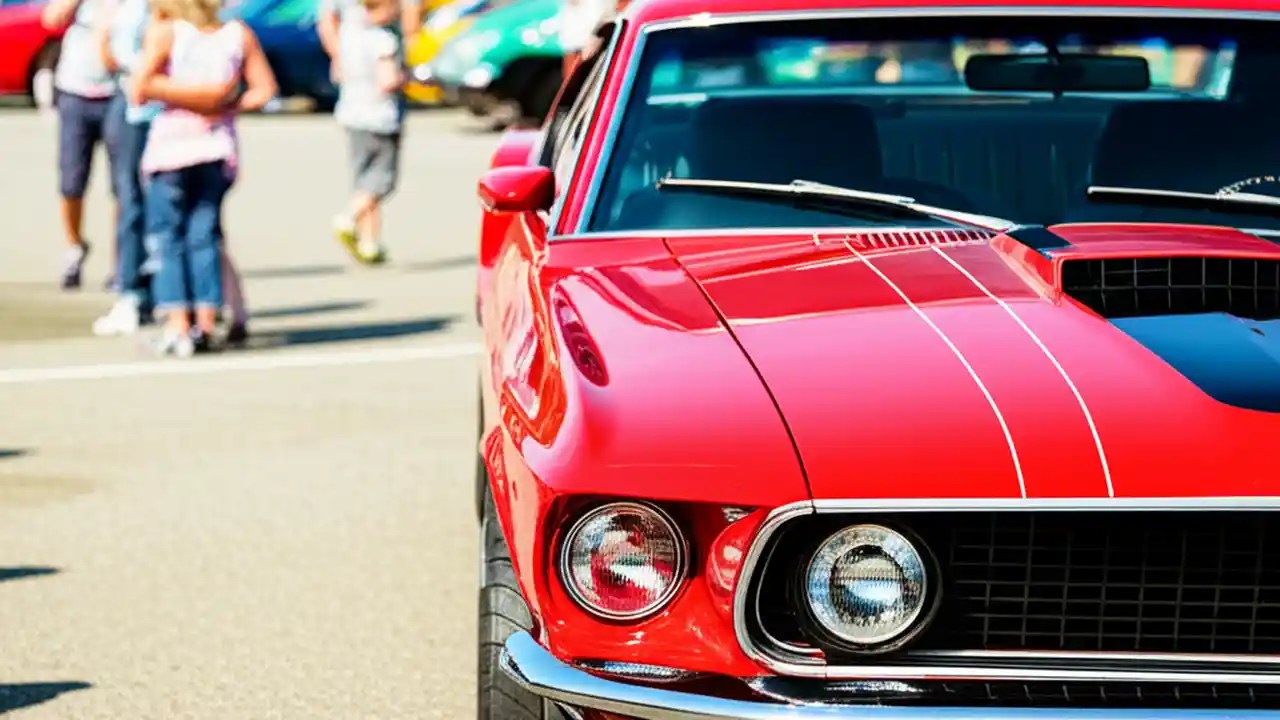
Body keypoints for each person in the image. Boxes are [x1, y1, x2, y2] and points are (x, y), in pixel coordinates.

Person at [131, 0, 277, 357]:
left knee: (168, 236)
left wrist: (197, 99)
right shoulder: (237, 34)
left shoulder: (167, 33)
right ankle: (207, 321)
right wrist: (223, 102)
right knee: (204, 234)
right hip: (215, 146)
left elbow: (140, 87)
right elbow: (264, 89)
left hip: (172, 148)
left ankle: (179, 321)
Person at [42, 0, 120, 290]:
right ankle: (74, 245)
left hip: (117, 92)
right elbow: (51, 18)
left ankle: (120, 259)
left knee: (122, 185)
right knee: (71, 180)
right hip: (75, 91)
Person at [330, 0, 406, 265]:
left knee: (362, 177)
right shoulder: (384, 40)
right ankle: (348, 217)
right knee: (382, 180)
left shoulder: (349, 35)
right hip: (380, 115)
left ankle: (369, 241)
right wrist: (404, 78)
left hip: (352, 111)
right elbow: (388, 81)